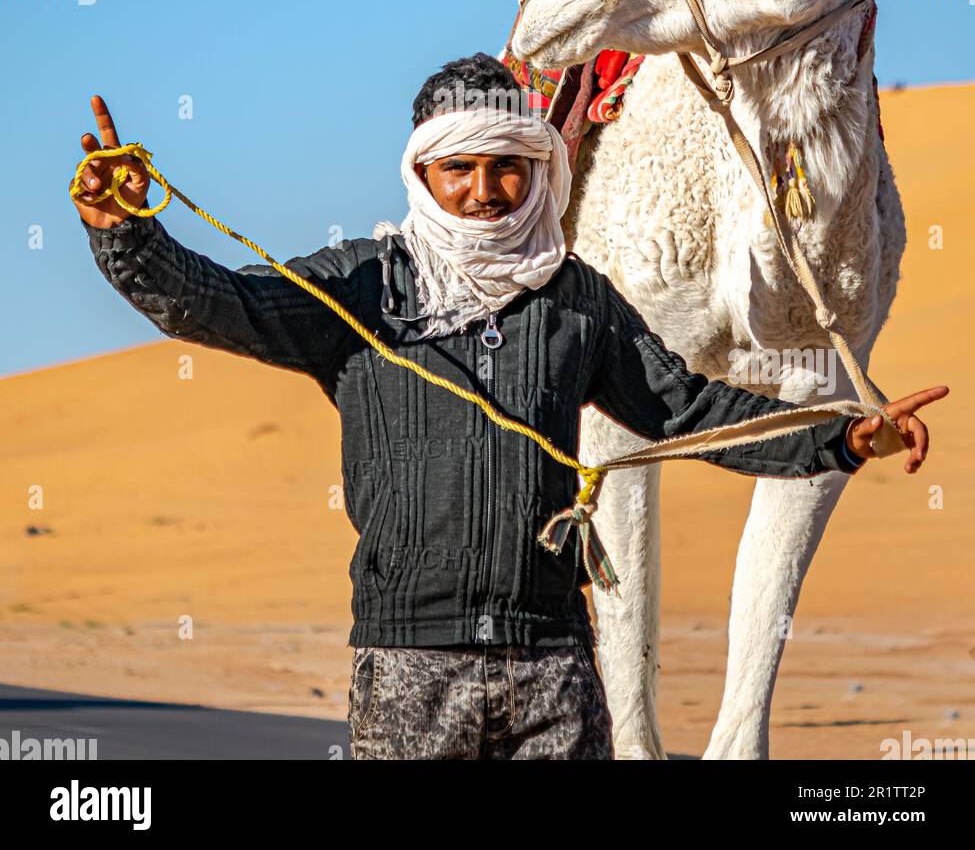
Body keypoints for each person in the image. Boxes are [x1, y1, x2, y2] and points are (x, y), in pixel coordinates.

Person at [71, 54, 947, 761]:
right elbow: (215, 302)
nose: (484, 191)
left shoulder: (574, 300)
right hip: (410, 668)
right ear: (422, 172)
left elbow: (685, 410)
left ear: (537, 172)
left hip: (557, 668)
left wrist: (838, 438)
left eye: (507, 168)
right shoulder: (361, 287)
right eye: (459, 169)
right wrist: (126, 233)